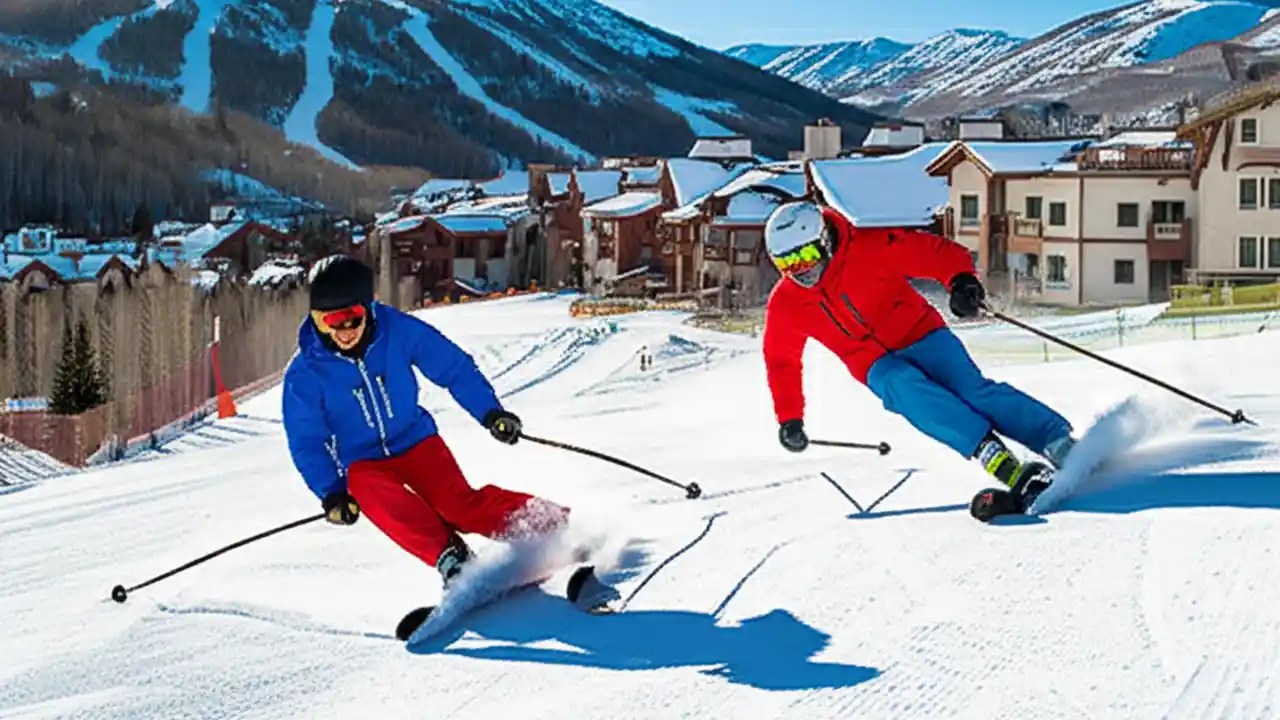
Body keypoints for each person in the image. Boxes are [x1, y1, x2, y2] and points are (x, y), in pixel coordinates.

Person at [759, 201, 1078, 517]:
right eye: (786, 264)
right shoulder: (787, 303)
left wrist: (960, 280)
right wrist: (790, 418)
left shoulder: (869, 248)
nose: (800, 270)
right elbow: (781, 360)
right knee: (903, 388)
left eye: (806, 256)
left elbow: (933, 252)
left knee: (972, 390)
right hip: (874, 365)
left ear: (824, 240)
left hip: (921, 334)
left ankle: (1058, 444)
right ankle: (997, 459)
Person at [281, 255, 569, 585]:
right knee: (361, 484)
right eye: (329, 321)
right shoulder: (305, 374)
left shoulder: (398, 331)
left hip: (416, 440)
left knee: (458, 506)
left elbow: (453, 368)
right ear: (316, 320)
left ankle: (553, 525)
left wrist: (490, 412)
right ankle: (453, 559)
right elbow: (307, 440)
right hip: (364, 461)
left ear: (369, 308)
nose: (343, 331)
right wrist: (331, 492)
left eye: (352, 318)